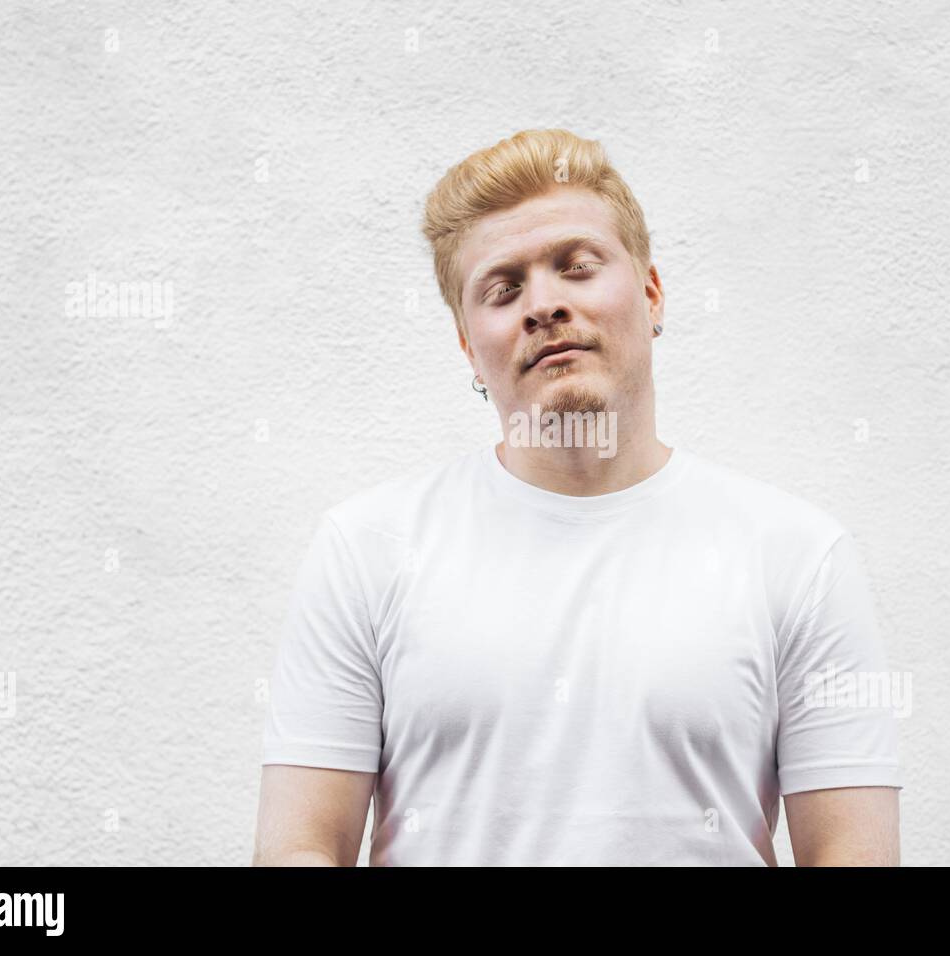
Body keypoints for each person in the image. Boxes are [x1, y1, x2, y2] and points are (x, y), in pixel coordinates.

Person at [252, 128, 903, 866]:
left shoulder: (797, 555)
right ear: (469, 345)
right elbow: (301, 849)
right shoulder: (365, 549)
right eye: (503, 289)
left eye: (577, 267)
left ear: (652, 294)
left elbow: (852, 855)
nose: (545, 304)